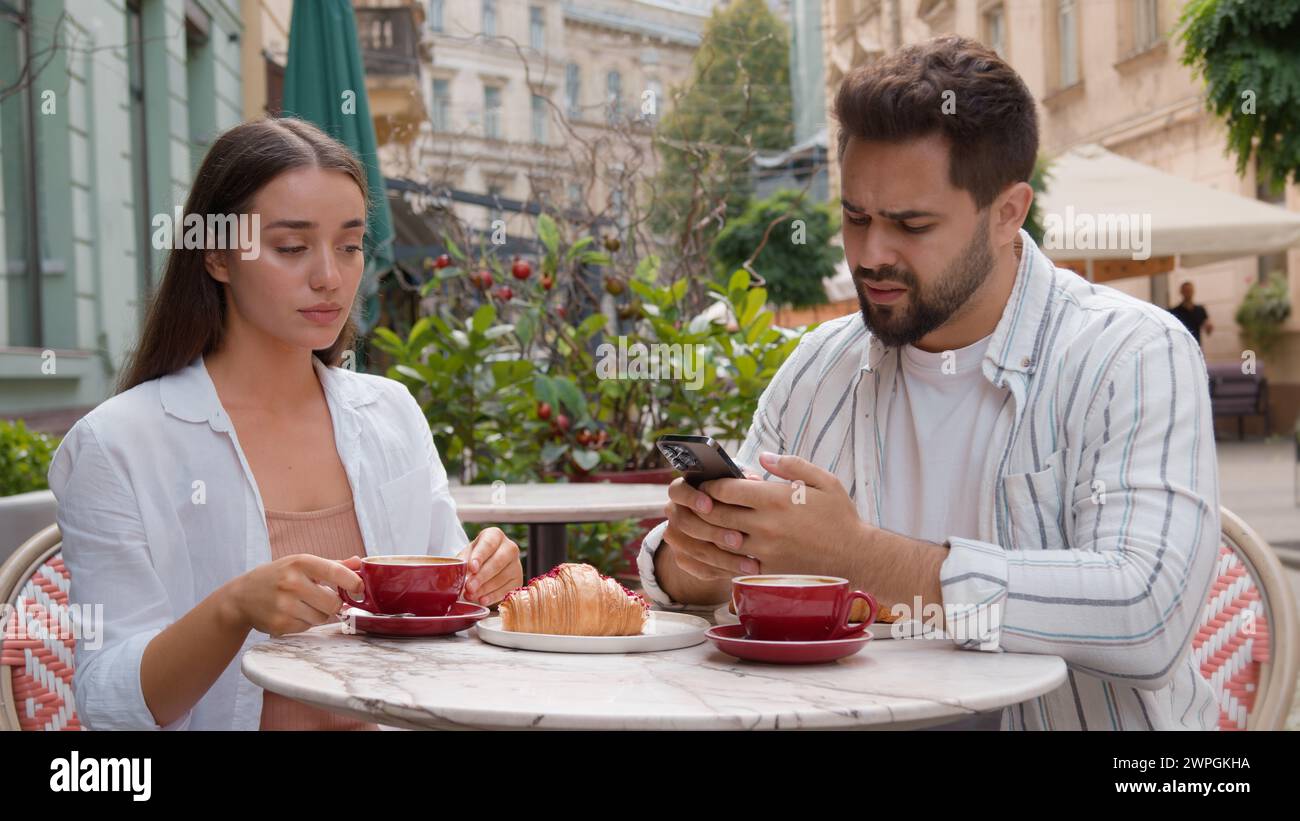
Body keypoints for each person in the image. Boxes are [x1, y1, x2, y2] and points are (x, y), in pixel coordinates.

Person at [638, 36, 1221, 730]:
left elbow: (1147, 615)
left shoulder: (1129, 355)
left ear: (1008, 213)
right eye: (855, 217)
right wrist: (697, 561)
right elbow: (700, 582)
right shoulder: (818, 366)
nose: (870, 254)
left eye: (911, 225)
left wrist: (858, 556)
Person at [48, 118, 523, 730]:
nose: (329, 276)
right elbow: (110, 704)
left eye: (349, 245)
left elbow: (452, 616)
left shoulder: (391, 413)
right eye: (292, 247)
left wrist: (486, 580)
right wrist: (232, 609)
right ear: (216, 255)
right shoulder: (116, 445)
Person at [1169, 281, 1213, 346]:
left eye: (1190, 290)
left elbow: (1208, 331)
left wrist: (1209, 328)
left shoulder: (1200, 310)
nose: (1188, 293)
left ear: (1193, 291)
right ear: (1181, 292)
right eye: (1186, 291)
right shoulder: (1174, 311)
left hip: (1196, 345)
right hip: (1180, 345)